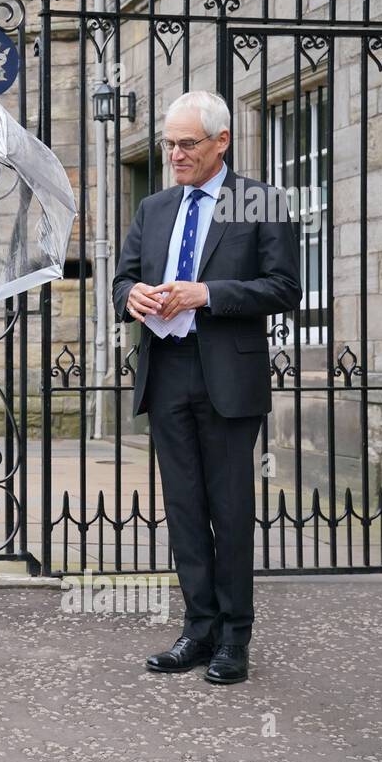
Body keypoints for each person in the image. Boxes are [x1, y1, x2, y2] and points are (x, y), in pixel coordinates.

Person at [112, 90, 300, 685]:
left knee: (230, 506)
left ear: (222, 141)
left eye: (186, 144)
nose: (174, 154)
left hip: (225, 371)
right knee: (184, 506)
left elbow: (283, 288)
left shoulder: (260, 201)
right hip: (165, 368)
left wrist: (209, 294)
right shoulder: (154, 206)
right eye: (168, 143)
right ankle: (197, 629)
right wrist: (131, 298)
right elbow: (122, 278)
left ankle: (234, 639)